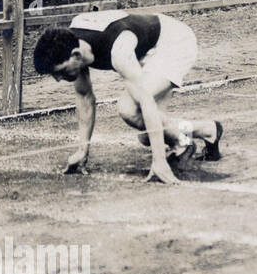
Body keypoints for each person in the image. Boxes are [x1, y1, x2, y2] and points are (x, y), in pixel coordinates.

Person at [32, 10, 222, 184]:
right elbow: (84, 97)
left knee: (130, 109)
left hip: (173, 43)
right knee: (147, 136)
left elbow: (145, 100)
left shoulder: (119, 52)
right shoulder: (74, 44)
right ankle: (207, 130)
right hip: (147, 46)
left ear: (75, 54)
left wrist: (159, 162)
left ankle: (183, 142)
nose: (58, 79)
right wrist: (83, 150)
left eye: (60, 71)